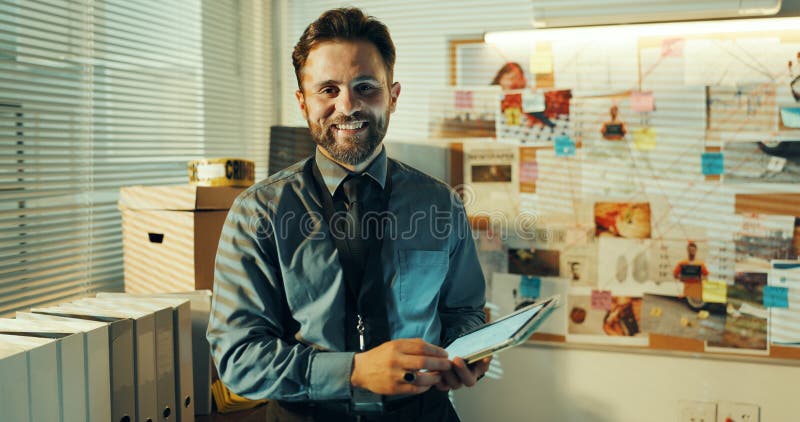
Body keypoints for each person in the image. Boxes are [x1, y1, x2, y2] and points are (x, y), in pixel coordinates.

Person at [206, 7, 489, 422]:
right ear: (303, 103)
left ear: (392, 96)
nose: (347, 106)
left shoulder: (441, 203)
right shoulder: (258, 212)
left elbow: (463, 313)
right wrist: (353, 372)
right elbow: (238, 358)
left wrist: (470, 350)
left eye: (365, 88)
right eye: (328, 90)